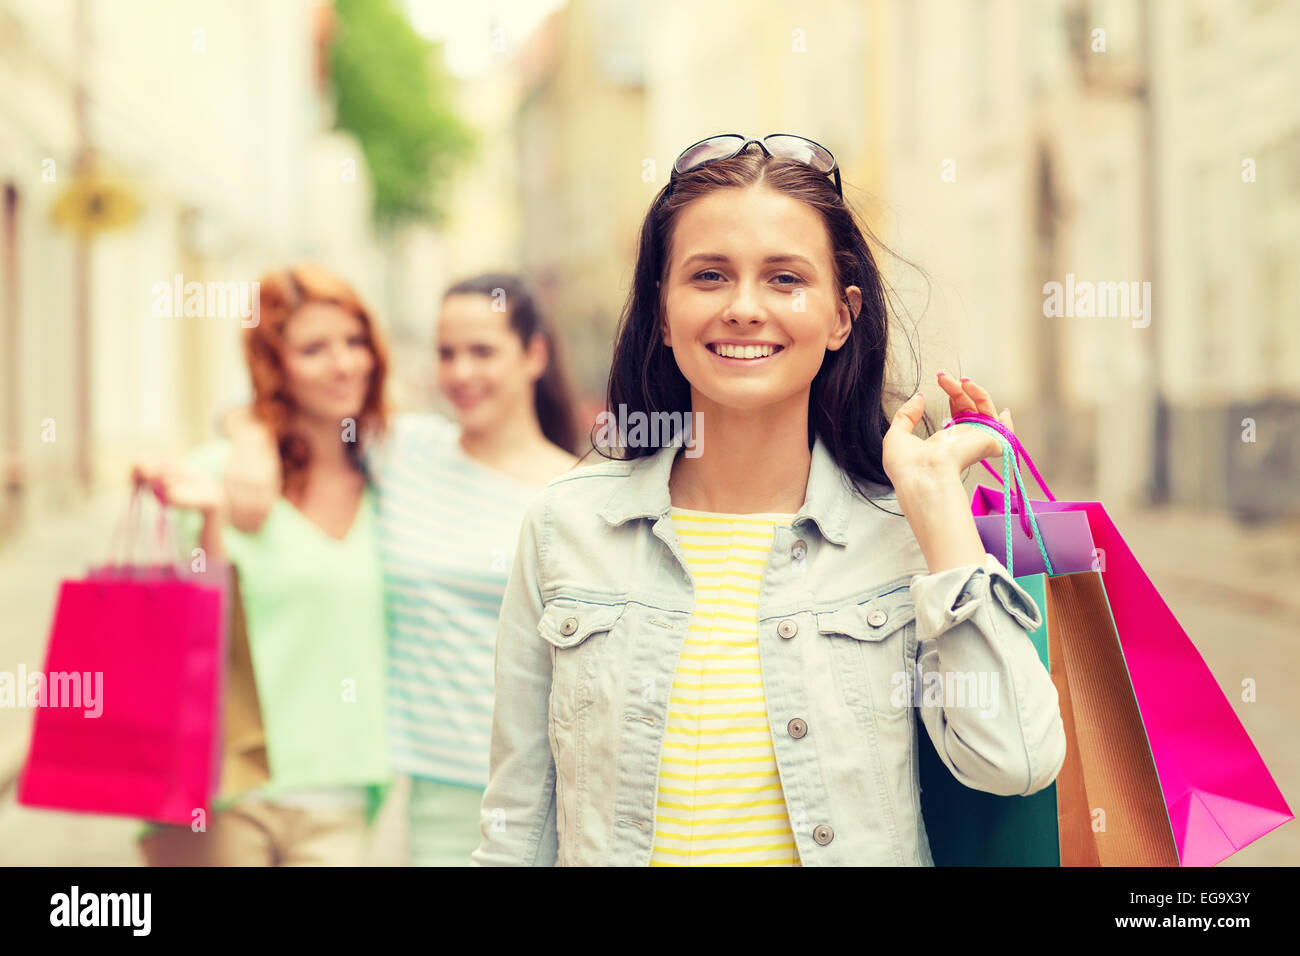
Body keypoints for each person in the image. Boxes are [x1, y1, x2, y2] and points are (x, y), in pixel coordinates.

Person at [471, 134, 1067, 866]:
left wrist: (939, 512)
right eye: (710, 276)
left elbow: (1017, 759)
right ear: (663, 310)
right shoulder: (566, 525)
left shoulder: (903, 534)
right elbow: (516, 824)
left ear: (841, 316)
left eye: (785, 279)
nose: (745, 308)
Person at [224, 273, 583, 865]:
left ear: (534, 355)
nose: (461, 373)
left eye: (483, 351)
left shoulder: (577, 493)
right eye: (447, 353)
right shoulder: (403, 451)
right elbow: (288, 409)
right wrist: (249, 442)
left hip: (549, 790)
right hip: (435, 791)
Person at [133, 264, 393, 866]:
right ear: (272, 364)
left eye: (354, 341)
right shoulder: (215, 473)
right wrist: (214, 516)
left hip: (343, 795)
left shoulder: (391, 477)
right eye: (312, 348)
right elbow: (178, 632)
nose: (343, 364)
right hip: (227, 795)